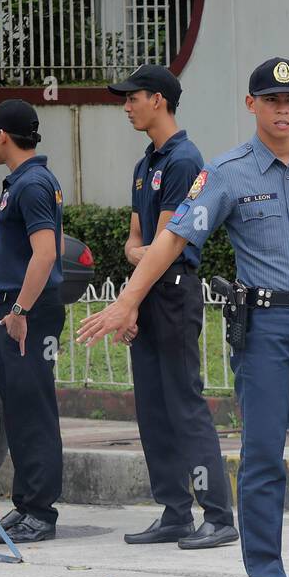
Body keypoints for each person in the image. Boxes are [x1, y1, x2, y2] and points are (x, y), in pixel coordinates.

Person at [77, 57, 289, 577]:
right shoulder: (227, 172)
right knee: (265, 456)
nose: (282, 109)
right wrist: (127, 299)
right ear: (251, 105)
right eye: (271, 100)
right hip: (266, 327)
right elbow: (174, 239)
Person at [106, 65, 237, 549]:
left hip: (176, 291)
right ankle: (174, 511)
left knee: (184, 404)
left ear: (158, 99)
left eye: (133, 97)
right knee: (152, 407)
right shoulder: (146, 164)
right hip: (148, 289)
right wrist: (134, 295)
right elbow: (135, 242)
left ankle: (219, 515)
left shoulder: (184, 160)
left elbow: (167, 242)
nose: (126, 106)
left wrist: (147, 256)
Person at [0, 99, 66, 544]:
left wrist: (21, 311)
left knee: (35, 412)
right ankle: (25, 505)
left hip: (29, 312)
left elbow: (45, 252)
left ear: (2, 136)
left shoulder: (32, 184)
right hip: (14, 306)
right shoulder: (24, 182)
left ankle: (41, 513)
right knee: (19, 410)